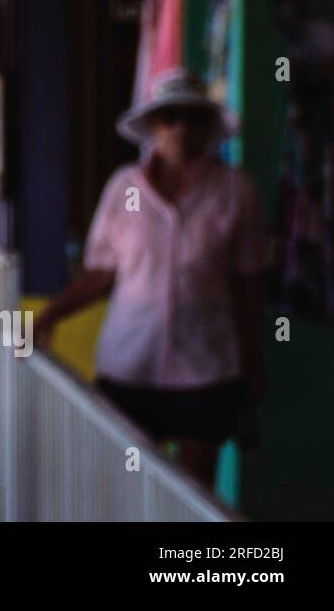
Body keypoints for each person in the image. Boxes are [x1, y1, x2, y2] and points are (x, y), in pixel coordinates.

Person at [35, 69, 269, 487]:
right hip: (129, 365)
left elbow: (247, 284)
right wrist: (49, 315)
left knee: (195, 488)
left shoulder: (237, 191)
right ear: (153, 126)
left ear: (208, 127)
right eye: (169, 116)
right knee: (121, 483)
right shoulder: (123, 189)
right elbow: (102, 273)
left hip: (207, 366)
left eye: (193, 117)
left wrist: (255, 362)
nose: (180, 127)